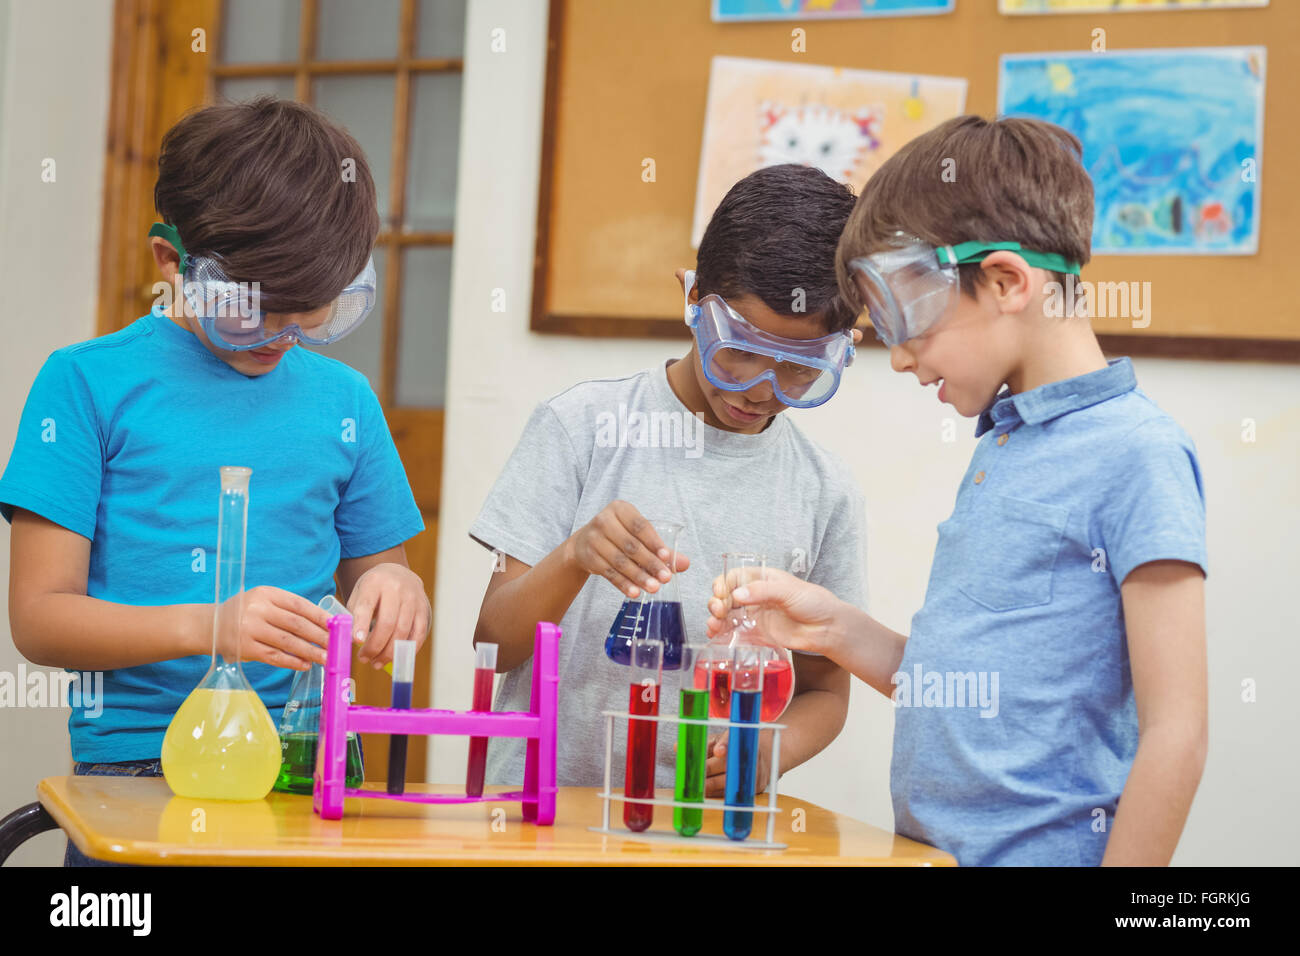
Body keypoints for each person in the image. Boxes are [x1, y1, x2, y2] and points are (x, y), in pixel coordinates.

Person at [710, 116, 1208, 866]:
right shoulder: (1003, 444)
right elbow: (965, 689)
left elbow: (1179, 730)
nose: (902, 360)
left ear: (1006, 280)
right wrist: (833, 629)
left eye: (906, 320)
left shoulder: (1138, 454)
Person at [0, 97, 429, 865]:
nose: (281, 338)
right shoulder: (85, 385)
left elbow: (384, 575)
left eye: (310, 318)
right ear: (171, 263)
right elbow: (38, 619)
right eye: (252, 314)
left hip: (307, 769)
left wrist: (397, 595)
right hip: (141, 773)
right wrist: (210, 628)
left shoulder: (345, 403)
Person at [470, 164, 869, 794]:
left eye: (797, 368)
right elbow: (495, 643)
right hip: (545, 814)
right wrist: (574, 557)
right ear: (692, 301)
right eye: (738, 348)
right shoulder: (581, 427)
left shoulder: (823, 490)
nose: (760, 388)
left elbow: (825, 690)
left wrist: (772, 752)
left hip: (700, 828)